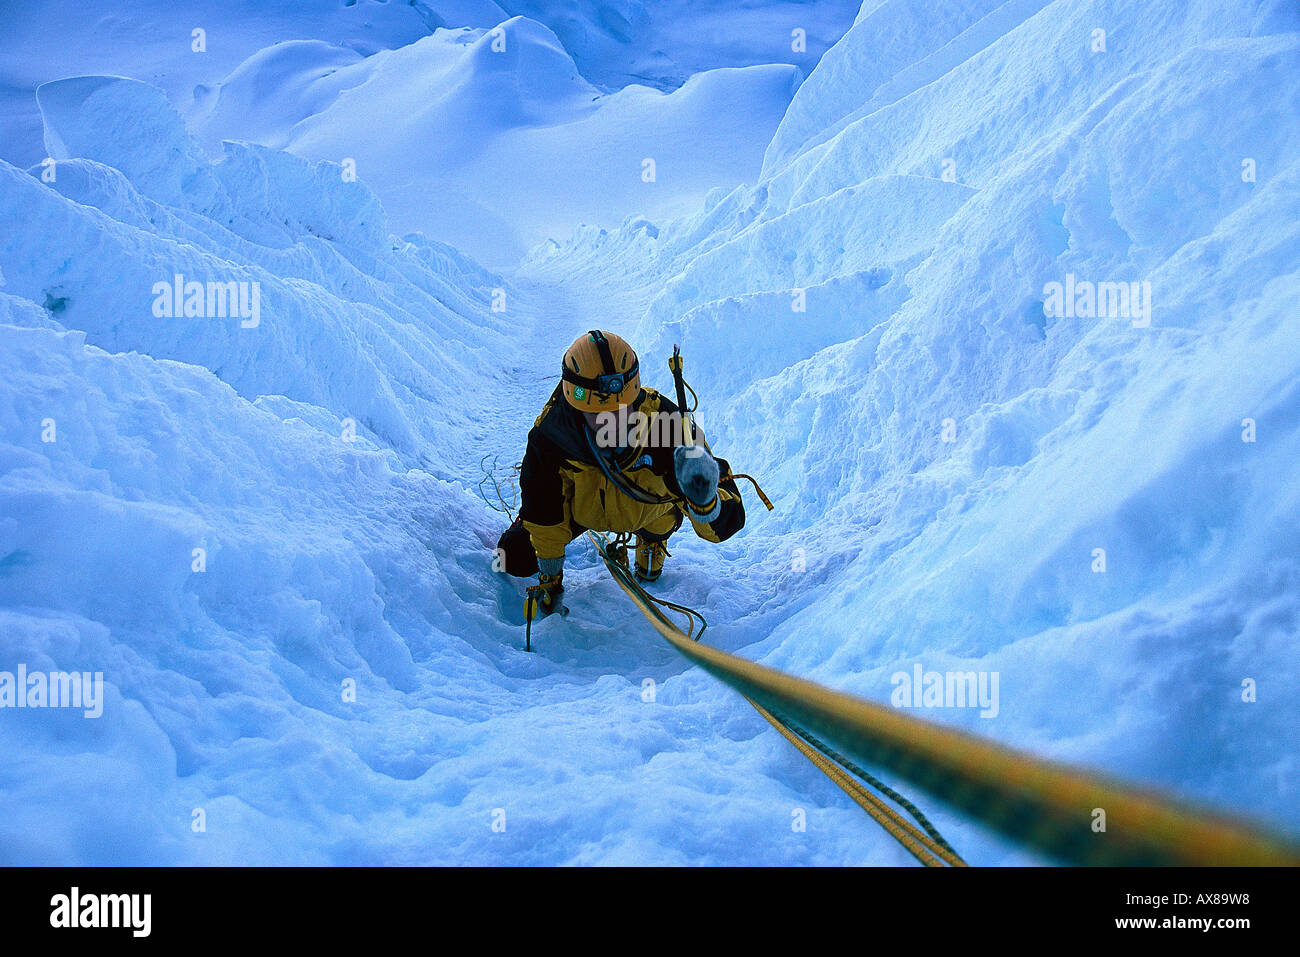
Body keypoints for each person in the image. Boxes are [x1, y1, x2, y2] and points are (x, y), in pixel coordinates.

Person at [497, 329, 745, 617]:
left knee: (654, 554)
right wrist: (551, 576)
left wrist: (704, 500)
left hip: (647, 510)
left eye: (622, 410)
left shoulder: (667, 425)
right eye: (599, 416)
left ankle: (653, 537)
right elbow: (544, 514)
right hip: (583, 510)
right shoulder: (552, 436)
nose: (612, 424)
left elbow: (729, 520)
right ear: (577, 406)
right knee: (511, 557)